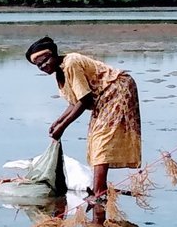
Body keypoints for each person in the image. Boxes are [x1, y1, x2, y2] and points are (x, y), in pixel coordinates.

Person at [23, 37, 141, 209]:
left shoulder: (70, 63)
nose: (43, 67)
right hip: (103, 97)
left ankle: (99, 193)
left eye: (45, 61)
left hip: (116, 90)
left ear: (54, 55)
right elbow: (74, 102)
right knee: (96, 141)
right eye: (38, 65)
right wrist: (59, 121)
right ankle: (99, 190)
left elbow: (84, 100)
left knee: (102, 140)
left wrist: (63, 127)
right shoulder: (60, 73)